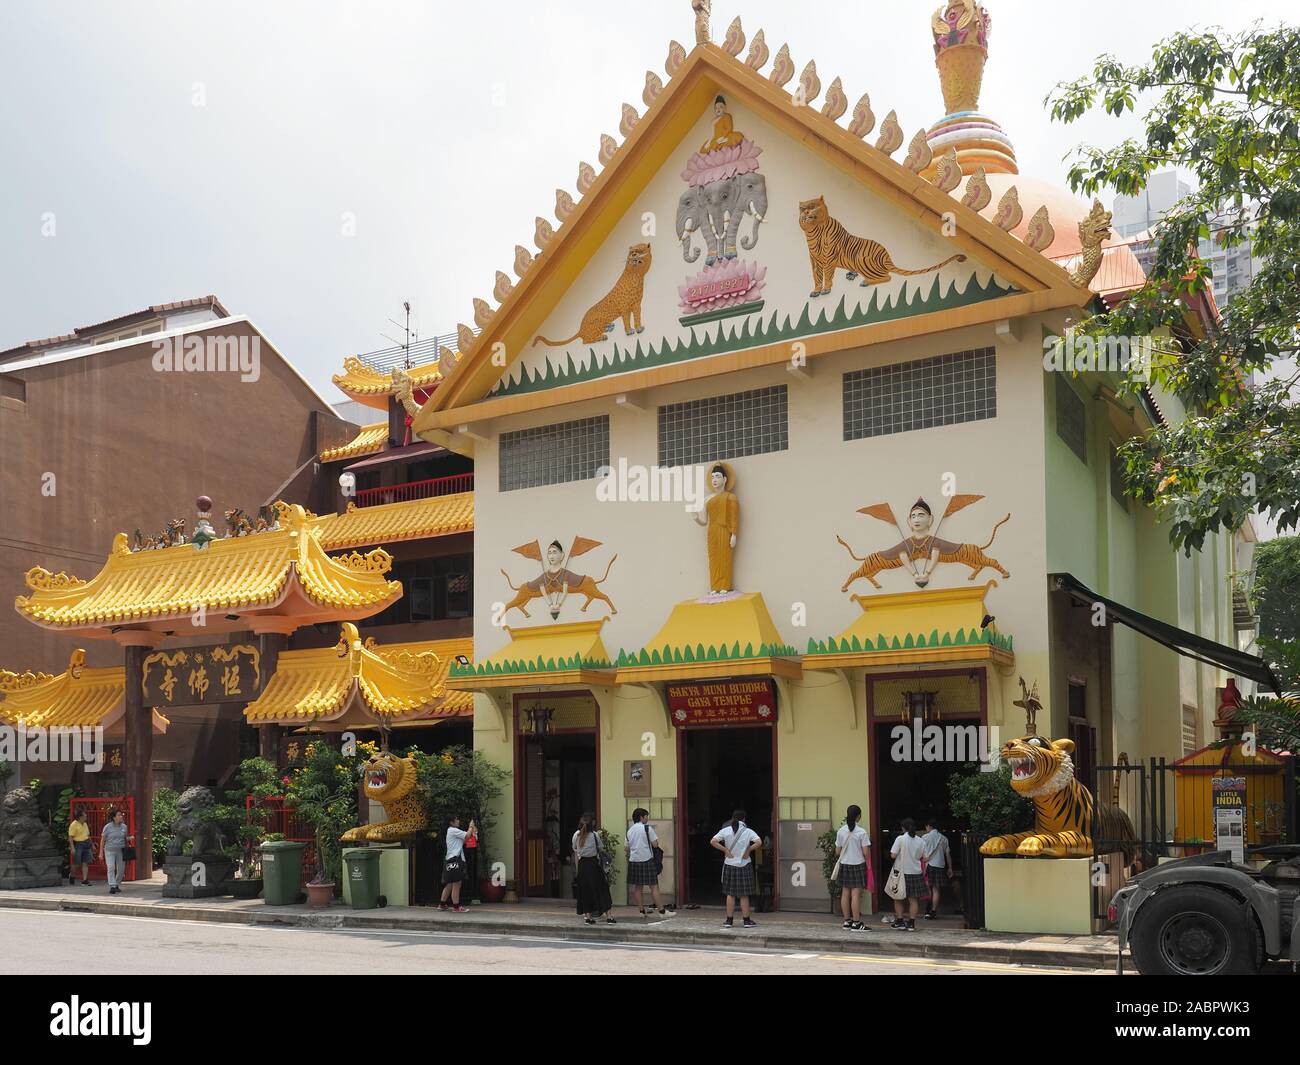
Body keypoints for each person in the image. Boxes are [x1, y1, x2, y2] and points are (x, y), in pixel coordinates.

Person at [692, 462, 739, 594]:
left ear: (724, 479)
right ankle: (715, 586)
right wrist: (696, 518)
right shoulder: (707, 499)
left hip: (724, 530)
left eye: (717, 476)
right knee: (713, 559)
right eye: (713, 477)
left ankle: (725, 585)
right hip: (712, 531)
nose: (714, 480)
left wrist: (734, 534)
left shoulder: (731, 497)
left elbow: (734, 517)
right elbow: (704, 521)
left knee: (725, 558)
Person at [711, 808, 760, 929]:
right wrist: (748, 850)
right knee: (744, 895)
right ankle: (746, 921)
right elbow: (759, 842)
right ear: (744, 819)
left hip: (729, 864)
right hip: (744, 864)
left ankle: (729, 921)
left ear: (732, 818)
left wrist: (725, 850)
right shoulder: (748, 831)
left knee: (730, 894)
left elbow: (713, 841)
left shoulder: (725, 830)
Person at [625, 808, 672, 917]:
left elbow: (626, 848)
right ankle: (662, 911)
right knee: (654, 886)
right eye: (646, 816)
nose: (647, 818)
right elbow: (655, 844)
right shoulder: (647, 828)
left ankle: (641, 912)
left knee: (638, 887)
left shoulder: (629, 830)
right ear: (641, 817)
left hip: (634, 861)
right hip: (646, 860)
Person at [573, 812, 614, 925]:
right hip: (593, 864)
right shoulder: (594, 835)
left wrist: (577, 870)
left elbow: (575, 850)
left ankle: (588, 917)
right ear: (592, 824)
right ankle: (609, 916)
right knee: (602, 890)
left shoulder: (576, 835)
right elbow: (600, 847)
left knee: (585, 892)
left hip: (582, 865)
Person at [835, 804, 871, 932]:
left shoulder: (841, 831)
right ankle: (856, 923)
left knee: (845, 894)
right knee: (855, 895)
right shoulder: (861, 832)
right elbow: (866, 853)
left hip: (844, 865)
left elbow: (837, 852)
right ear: (859, 816)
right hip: (858, 865)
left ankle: (847, 922)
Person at [889, 818, 928, 930]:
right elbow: (926, 858)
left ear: (903, 828)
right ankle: (911, 923)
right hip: (915, 872)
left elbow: (893, 855)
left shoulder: (900, 839)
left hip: (901, 873)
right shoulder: (920, 841)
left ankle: (900, 921)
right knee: (913, 900)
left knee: (898, 898)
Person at [438, 815, 477, 912]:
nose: (458, 821)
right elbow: (467, 836)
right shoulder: (453, 830)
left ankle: (442, 904)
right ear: (452, 822)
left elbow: (464, 840)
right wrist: (471, 826)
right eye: (457, 820)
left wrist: (472, 831)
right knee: (457, 883)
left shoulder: (451, 831)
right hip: (455, 859)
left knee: (450, 884)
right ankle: (456, 907)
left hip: (450, 860)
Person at [922, 817, 952, 919]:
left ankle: (927, 909)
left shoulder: (925, 838)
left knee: (928, 888)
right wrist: (950, 868)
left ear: (928, 826)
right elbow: (947, 854)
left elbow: (920, 853)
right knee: (936, 890)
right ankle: (933, 911)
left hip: (928, 865)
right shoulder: (944, 838)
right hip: (940, 866)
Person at [100, 808, 133, 895]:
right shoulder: (107, 827)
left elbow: (125, 838)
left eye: (121, 815)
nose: (121, 816)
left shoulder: (124, 827)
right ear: (114, 817)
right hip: (109, 850)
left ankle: (117, 884)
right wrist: (100, 853)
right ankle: (112, 886)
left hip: (121, 850)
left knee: (121, 870)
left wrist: (129, 838)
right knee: (111, 867)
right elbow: (103, 840)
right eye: (118, 815)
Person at [68, 809, 94, 886]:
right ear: (80, 817)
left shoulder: (85, 824)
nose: (86, 815)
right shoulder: (74, 824)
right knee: (77, 863)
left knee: (85, 862)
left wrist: (92, 845)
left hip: (86, 843)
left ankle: (85, 880)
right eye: (84, 814)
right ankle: (72, 875)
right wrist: (72, 848)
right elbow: (70, 837)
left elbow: (88, 836)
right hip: (78, 844)